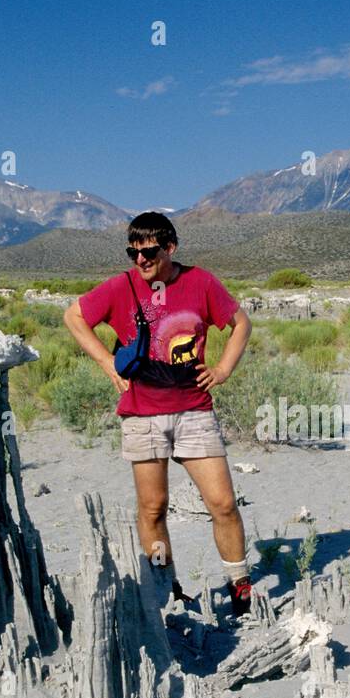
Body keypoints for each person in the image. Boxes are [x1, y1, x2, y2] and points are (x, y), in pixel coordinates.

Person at [63, 212, 254, 616]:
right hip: (142, 415)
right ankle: (165, 589)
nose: (140, 261)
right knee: (153, 508)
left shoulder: (200, 282)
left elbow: (240, 324)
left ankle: (240, 586)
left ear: (170, 248)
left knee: (222, 503)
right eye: (132, 252)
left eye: (148, 252)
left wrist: (222, 370)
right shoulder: (122, 286)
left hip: (194, 411)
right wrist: (106, 363)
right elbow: (74, 317)